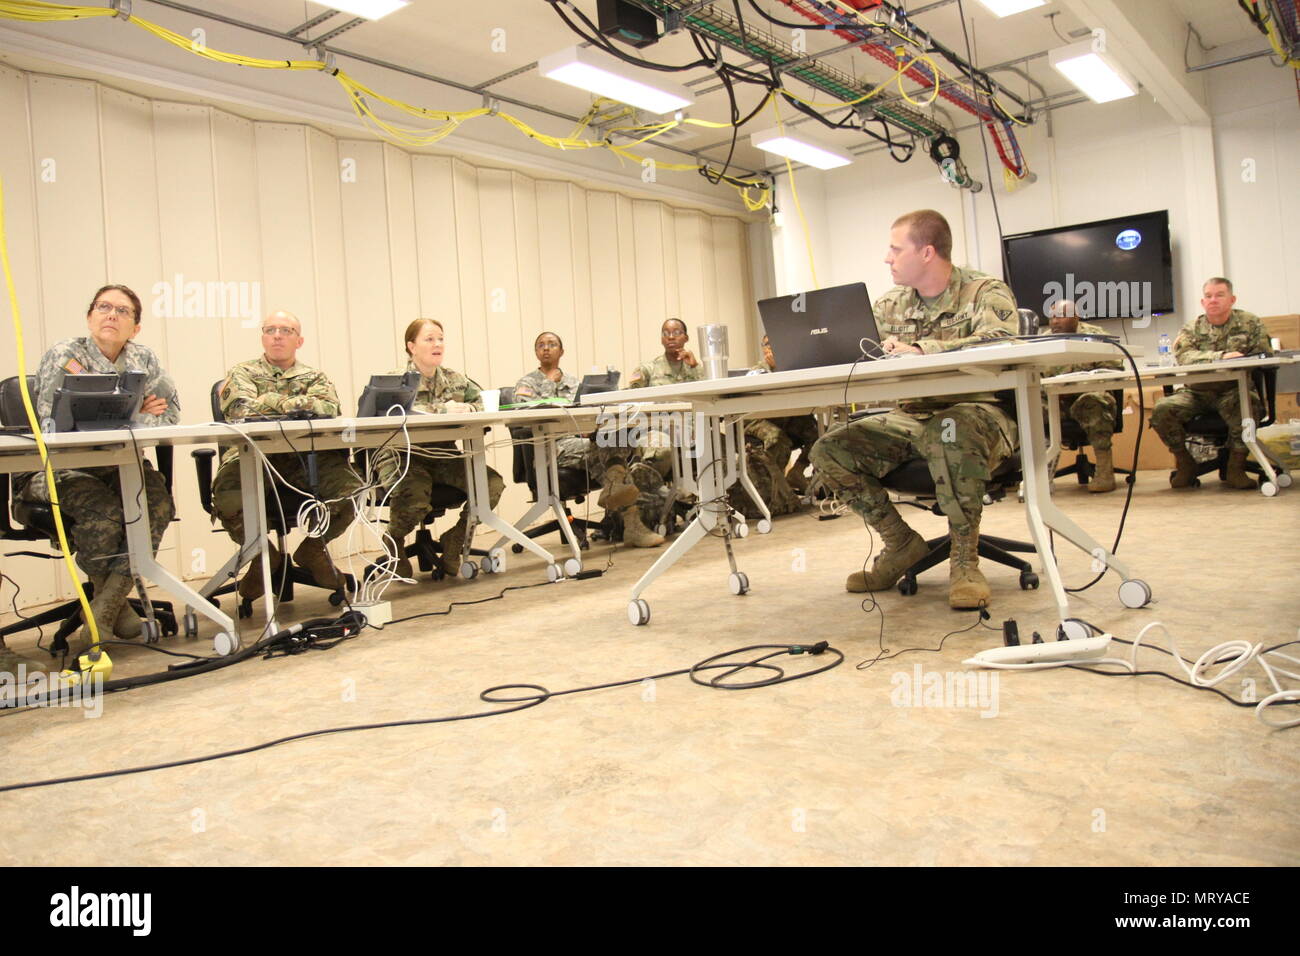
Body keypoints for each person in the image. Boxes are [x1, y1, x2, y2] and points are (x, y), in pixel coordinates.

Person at [808, 209, 1018, 610]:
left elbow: (1002, 343)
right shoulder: (890, 305)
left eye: (894, 248)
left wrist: (924, 349)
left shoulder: (985, 292)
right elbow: (857, 348)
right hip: (912, 417)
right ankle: (901, 544)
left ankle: (964, 561)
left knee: (949, 430)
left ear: (926, 252)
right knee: (829, 450)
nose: (887, 258)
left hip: (980, 412)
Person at [9, 284, 178, 666]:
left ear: (135, 327)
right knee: (104, 512)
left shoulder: (144, 359)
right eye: (103, 307)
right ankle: (107, 612)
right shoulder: (66, 354)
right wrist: (136, 410)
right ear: (90, 317)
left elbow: (170, 413)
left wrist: (114, 412)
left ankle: (104, 603)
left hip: (123, 466)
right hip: (56, 468)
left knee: (157, 504)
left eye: (122, 311)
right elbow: (57, 421)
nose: (111, 315)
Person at [211, 311, 360, 599]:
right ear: (263, 337)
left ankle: (314, 548)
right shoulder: (241, 372)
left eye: (287, 330)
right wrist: (298, 405)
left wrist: (266, 400)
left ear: (299, 340)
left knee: (353, 489)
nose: (278, 335)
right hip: (252, 457)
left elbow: (329, 409)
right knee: (228, 495)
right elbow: (241, 409)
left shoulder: (315, 376)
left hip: (305, 458)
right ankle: (263, 556)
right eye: (271, 330)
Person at [378, 319, 505, 578]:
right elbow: (387, 414)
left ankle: (455, 538)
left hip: (443, 455)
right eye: (429, 339)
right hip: (403, 456)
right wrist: (441, 410)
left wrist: (469, 408)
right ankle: (394, 541)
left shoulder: (455, 379)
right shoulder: (394, 381)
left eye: (440, 339)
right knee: (413, 496)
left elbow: (486, 402)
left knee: (490, 485)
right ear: (411, 346)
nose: (437, 344)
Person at [1150, 278, 1273, 490]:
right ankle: (1185, 463)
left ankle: (1236, 466)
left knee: (1247, 407)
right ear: (1202, 301)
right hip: (1197, 393)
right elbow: (1184, 356)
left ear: (1232, 299)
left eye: (1219, 295)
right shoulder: (1192, 328)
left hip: (1235, 391)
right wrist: (1222, 356)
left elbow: (1264, 355)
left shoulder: (1250, 323)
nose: (1213, 300)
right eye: (1208, 296)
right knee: (1162, 410)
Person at [513, 331, 639, 516]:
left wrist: (589, 429)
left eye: (552, 344)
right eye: (541, 345)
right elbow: (526, 413)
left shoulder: (573, 382)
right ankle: (624, 515)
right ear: (536, 352)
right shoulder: (526, 383)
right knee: (610, 452)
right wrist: (548, 384)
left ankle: (618, 512)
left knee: (620, 440)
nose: (546, 348)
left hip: (579, 441)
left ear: (562, 351)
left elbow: (584, 411)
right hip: (548, 446)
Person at [1042, 299, 1124, 492]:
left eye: (1061, 316)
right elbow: (1035, 376)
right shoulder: (1042, 341)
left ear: (1076, 317)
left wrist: (1078, 386)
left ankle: (1105, 472)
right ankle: (1041, 478)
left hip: (1090, 399)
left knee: (1092, 401)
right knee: (1029, 406)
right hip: (1056, 402)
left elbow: (1113, 372)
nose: (1055, 321)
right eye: (1052, 316)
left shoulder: (1096, 336)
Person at [740, 334, 819, 509]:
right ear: (763, 348)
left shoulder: (793, 368)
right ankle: (778, 488)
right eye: (768, 344)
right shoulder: (757, 371)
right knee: (777, 438)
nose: (772, 348)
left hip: (786, 418)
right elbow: (760, 400)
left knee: (817, 431)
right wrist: (776, 370)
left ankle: (797, 472)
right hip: (757, 419)